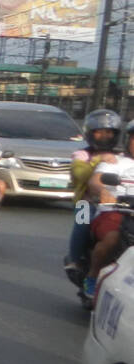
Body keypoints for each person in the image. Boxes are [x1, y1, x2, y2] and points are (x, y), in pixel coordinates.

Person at [84, 120, 134, 302]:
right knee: (111, 237)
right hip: (112, 211)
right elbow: (95, 181)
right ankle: (91, 275)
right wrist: (103, 191)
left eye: (108, 132)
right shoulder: (114, 161)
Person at [66, 109, 122, 272]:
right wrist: (99, 160)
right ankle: (74, 259)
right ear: (90, 133)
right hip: (86, 202)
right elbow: (80, 173)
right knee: (82, 224)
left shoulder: (121, 156)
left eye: (109, 132)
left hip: (114, 203)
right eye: (98, 132)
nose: (104, 136)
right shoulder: (82, 155)